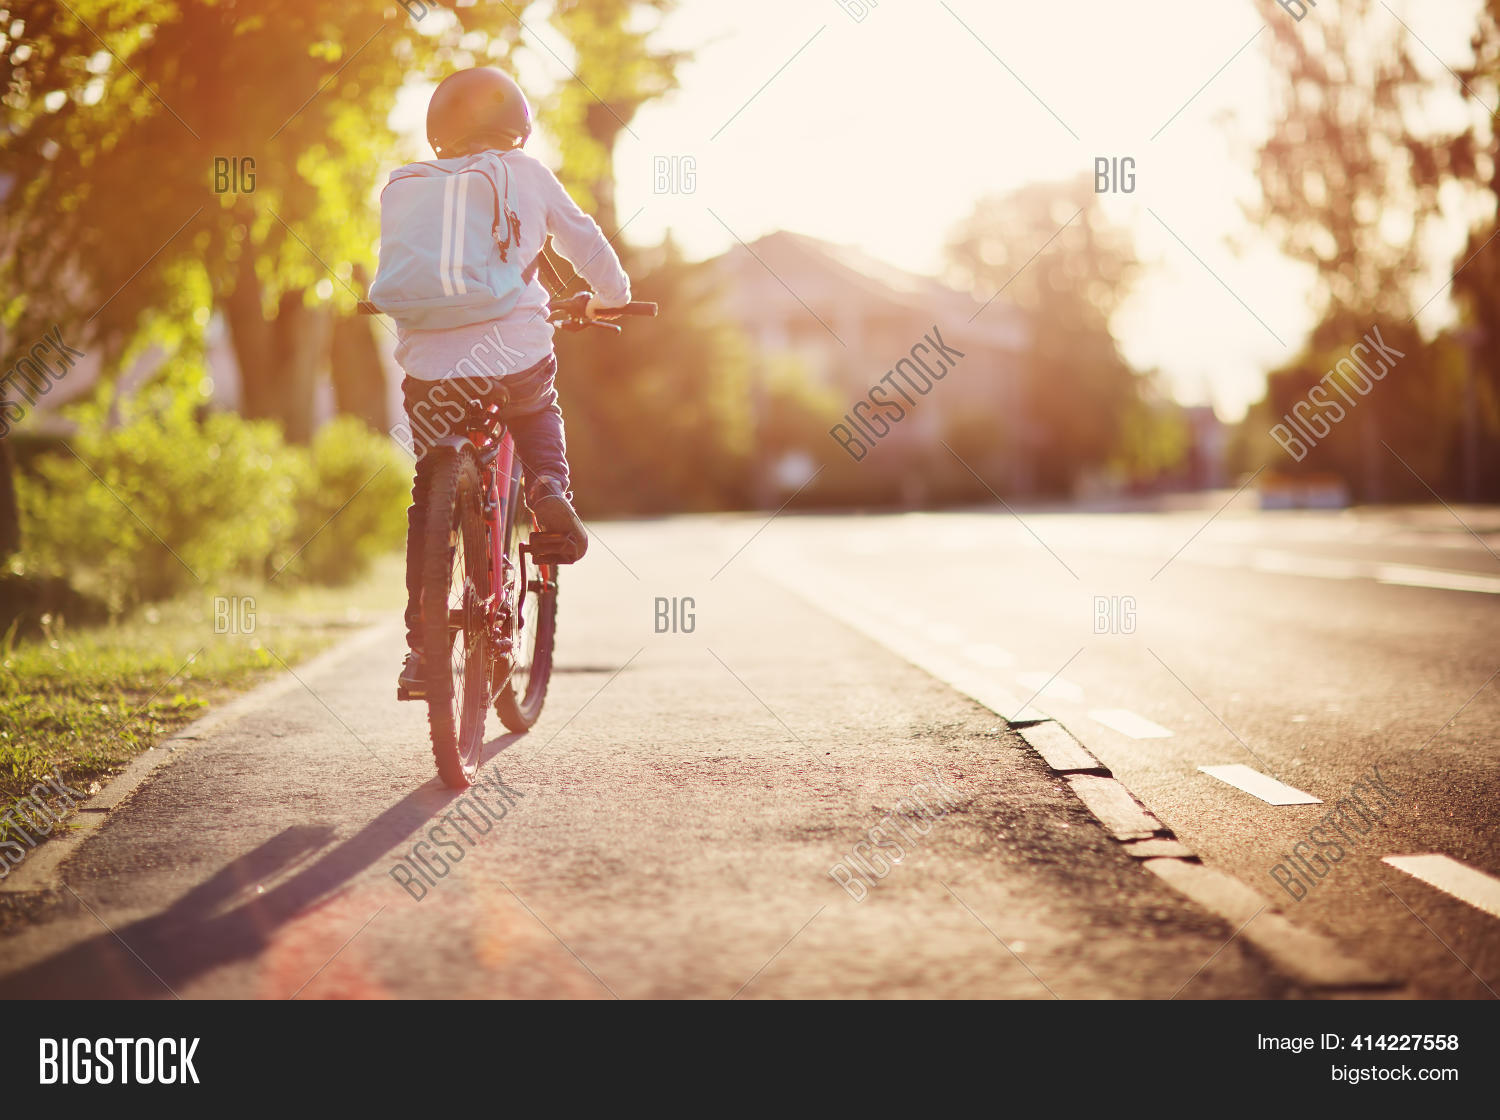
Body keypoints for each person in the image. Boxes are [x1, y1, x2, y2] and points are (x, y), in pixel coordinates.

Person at [390, 68, 631, 695]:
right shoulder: (527, 173)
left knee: (428, 490)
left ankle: (422, 650)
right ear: (518, 126)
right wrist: (611, 297)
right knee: (535, 406)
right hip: (512, 353)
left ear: (439, 130)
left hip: (430, 368)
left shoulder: (410, 183)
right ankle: (548, 486)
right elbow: (584, 240)